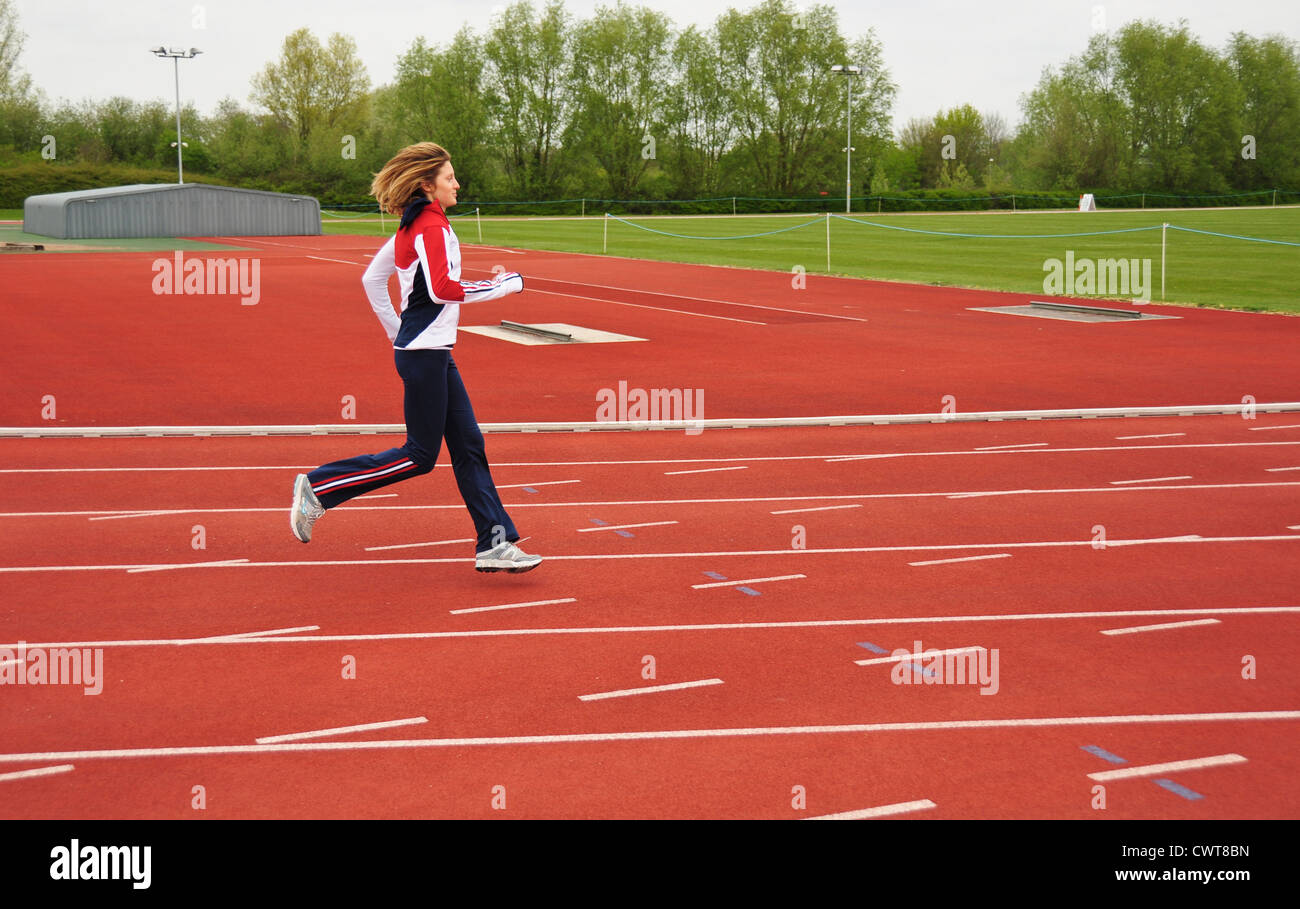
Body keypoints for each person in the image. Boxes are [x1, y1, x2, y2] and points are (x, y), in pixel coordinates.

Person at [289, 142, 541, 573]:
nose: (457, 184)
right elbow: (444, 289)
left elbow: (373, 279)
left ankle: (494, 543)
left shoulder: (413, 225)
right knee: (419, 456)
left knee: (468, 446)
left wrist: (398, 332)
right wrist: (505, 285)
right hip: (425, 354)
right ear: (428, 186)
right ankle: (320, 486)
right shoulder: (430, 226)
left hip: (430, 351)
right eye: (449, 178)